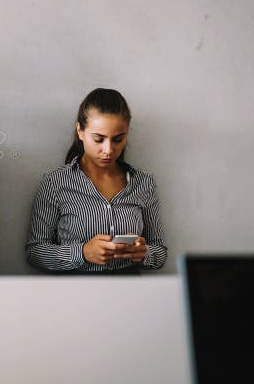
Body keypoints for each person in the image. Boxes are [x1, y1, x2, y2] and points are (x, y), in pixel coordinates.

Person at [26, 87, 167, 273]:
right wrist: (83, 252)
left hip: (130, 292)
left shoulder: (143, 183)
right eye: (98, 139)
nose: (108, 150)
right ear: (80, 131)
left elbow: (160, 252)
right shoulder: (55, 183)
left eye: (118, 139)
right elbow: (35, 252)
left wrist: (143, 253)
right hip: (76, 293)